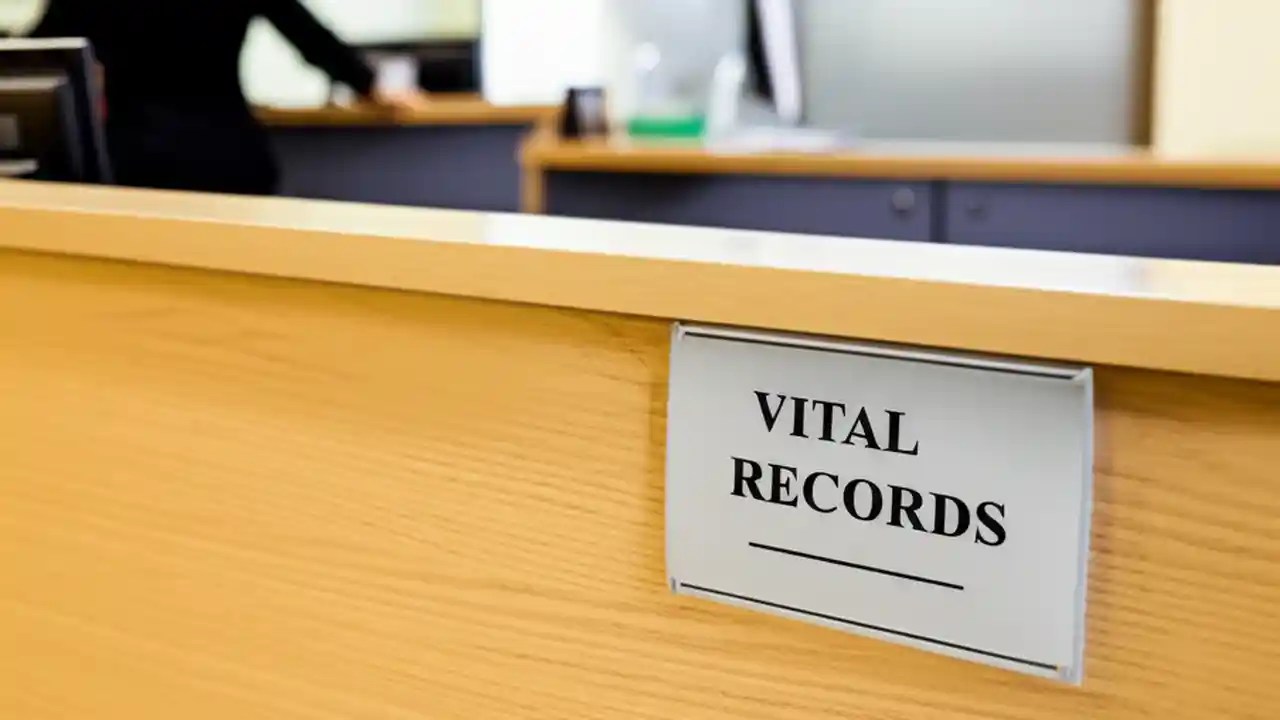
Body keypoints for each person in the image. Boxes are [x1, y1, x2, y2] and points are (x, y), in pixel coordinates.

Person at [28, 0, 422, 195]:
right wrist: (372, 85)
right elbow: (308, 35)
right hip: (226, 154)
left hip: (137, 159)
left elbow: (38, 52)